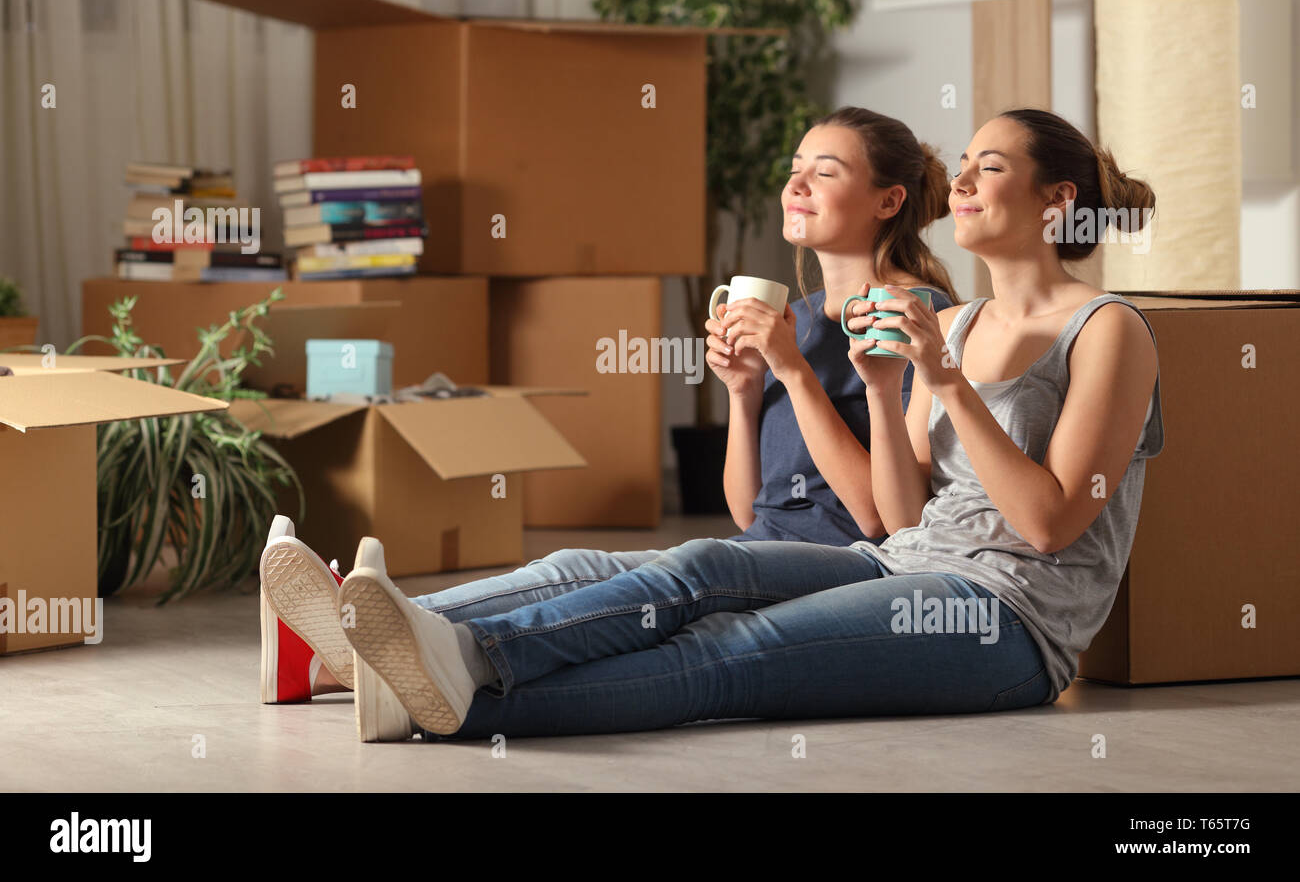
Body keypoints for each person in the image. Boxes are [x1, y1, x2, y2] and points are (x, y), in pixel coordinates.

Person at [328, 107, 1164, 741]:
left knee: (728, 652)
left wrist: (943, 381)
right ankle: (452, 650)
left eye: (991, 167)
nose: (965, 183)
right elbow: (904, 518)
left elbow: (1050, 523)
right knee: (701, 565)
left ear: (1058, 201)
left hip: (1005, 619)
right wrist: (884, 389)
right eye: (967, 166)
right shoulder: (955, 323)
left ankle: (455, 696)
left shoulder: (1108, 330)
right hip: (894, 564)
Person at [260, 107, 957, 720]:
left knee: (680, 571)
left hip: (843, 567)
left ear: (888, 200)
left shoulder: (916, 316)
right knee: (577, 564)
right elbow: (752, 512)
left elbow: (882, 521)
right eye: (795, 168)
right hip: (762, 550)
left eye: (825, 172)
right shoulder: (795, 317)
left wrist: (792, 371)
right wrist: (744, 394)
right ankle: (336, 644)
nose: (796, 185)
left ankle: (386, 644)